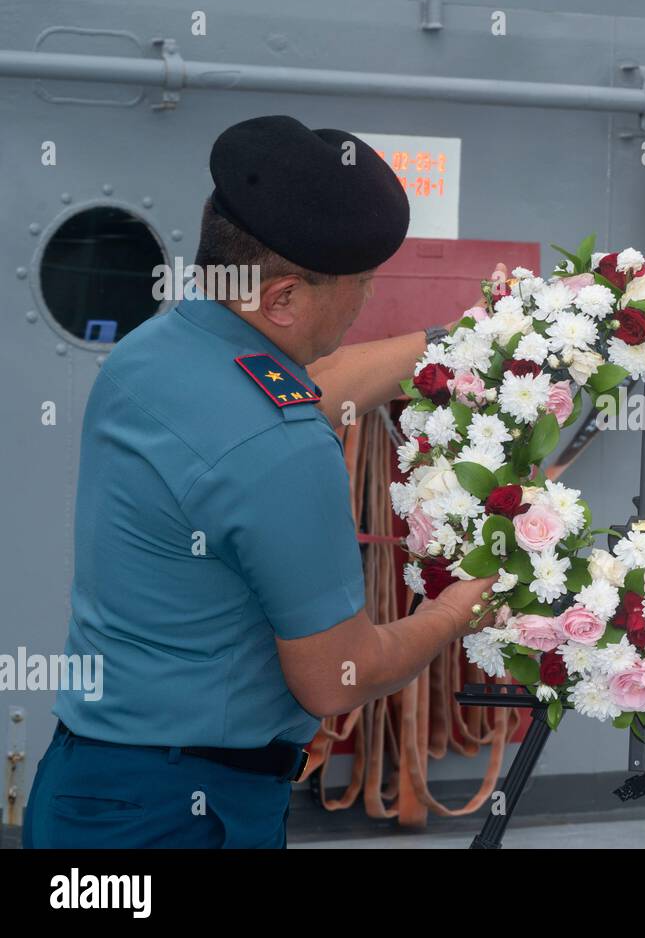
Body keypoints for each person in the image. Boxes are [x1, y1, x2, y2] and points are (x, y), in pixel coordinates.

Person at [24, 115, 497, 848]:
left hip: (88, 789)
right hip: (185, 816)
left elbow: (301, 389)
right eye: (363, 283)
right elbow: (337, 678)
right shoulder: (282, 446)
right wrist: (456, 609)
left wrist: (458, 343)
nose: (368, 297)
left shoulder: (152, 352)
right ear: (280, 301)